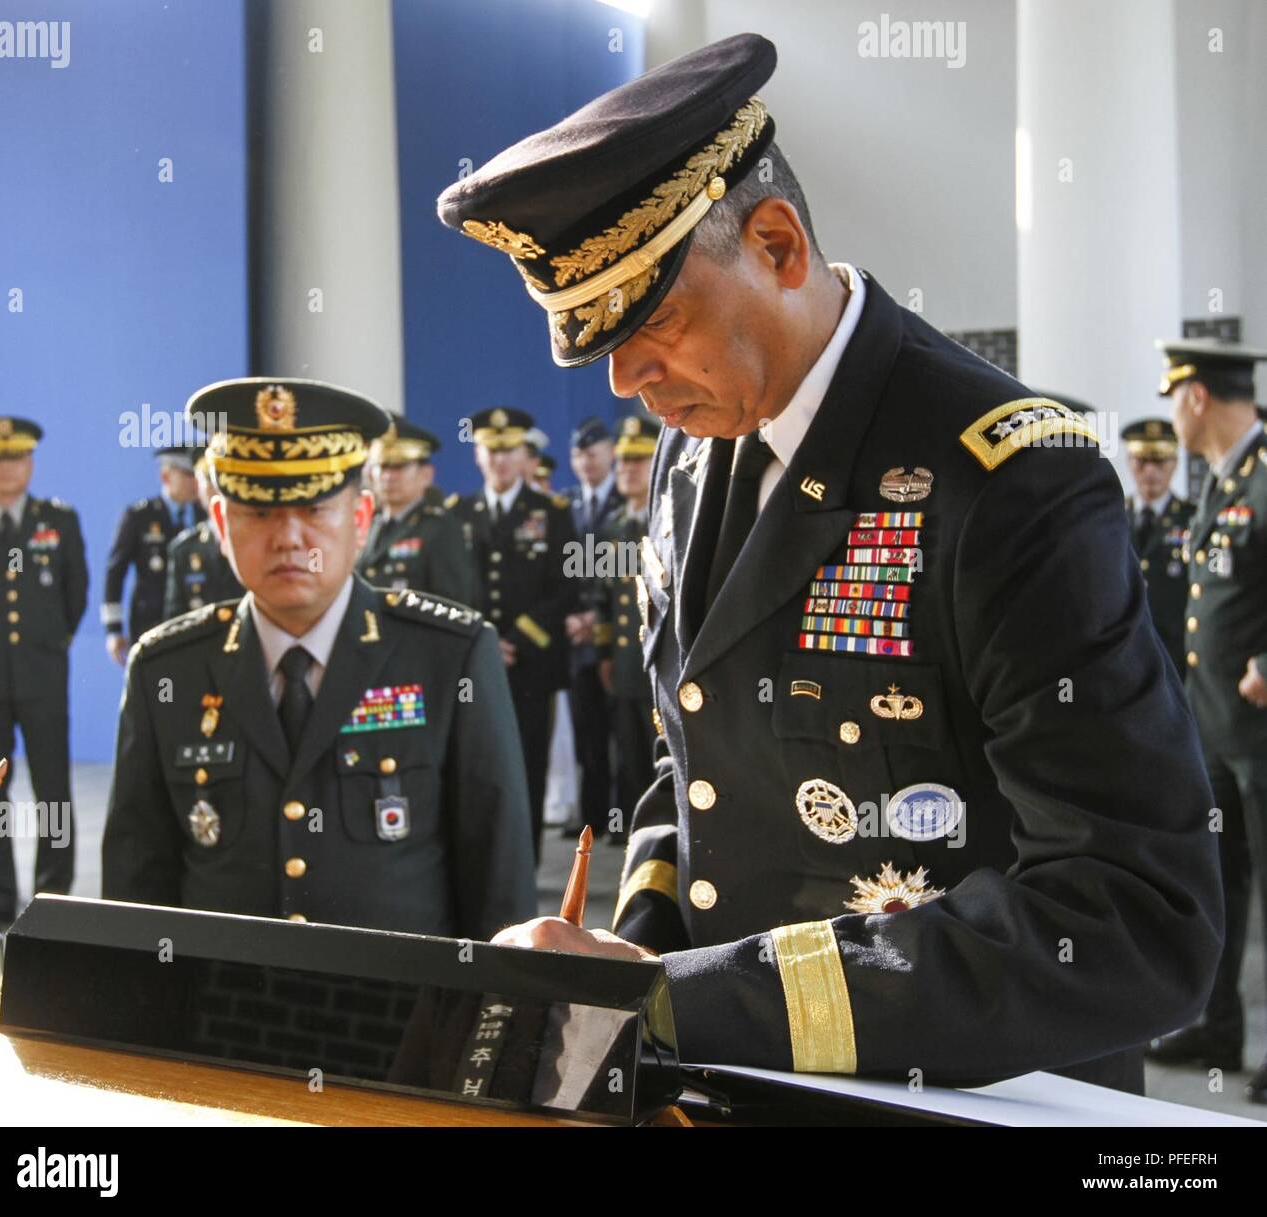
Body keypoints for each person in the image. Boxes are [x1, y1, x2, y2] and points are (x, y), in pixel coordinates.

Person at [438, 33, 1222, 1092]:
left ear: (776, 244)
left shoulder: (1006, 480)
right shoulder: (695, 442)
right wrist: (632, 956)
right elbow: (695, 755)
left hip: (971, 1096)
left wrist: (680, 998)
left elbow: (1133, 916)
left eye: (655, 318)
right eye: (597, 343)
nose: (626, 378)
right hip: (740, 1077)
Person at [102, 379, 535, 939]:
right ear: (219, 524)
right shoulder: (165, 672)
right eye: (257, 512)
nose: (287, 537)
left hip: (404, 1021)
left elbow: (500, 891)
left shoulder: (451, 657)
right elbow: (136, 898)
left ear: (359, 519)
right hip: (219, 1018)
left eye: (313, 508)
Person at [1144, 340, 1267, 1104]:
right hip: (1217, 732)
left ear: (1195, 397)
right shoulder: (1224, 482)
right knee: (1219, 881)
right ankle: (1219, 1027)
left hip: (1260, 734)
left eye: (1174, 399)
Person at [0, 416, 88, 926]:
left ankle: (52, 895)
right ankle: (0, 897)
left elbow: (74, 594)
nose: (5, 469)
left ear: (31, 463)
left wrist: (49, 645)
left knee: (52, 789)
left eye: (15, 458)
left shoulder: (57, 521)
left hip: (42, 677)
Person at [447, 408, 578, 859]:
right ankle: (485, 855)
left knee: (529, 761)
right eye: (491, 451)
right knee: (479, 761)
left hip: (531, 664)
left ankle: (527, 858)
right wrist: (482, 641)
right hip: (474, 663)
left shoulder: (552, 513)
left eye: (509, 451)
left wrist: (514, 642)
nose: (500, 461)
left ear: (525, 456)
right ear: (478, 457)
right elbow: (451, 586)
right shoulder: (460, 513)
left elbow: (565, 587)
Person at [594, 415, 660, 844]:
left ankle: (661, 836)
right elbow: (606, 598)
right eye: (621, 463)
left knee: (661, 758)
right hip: (625, 663)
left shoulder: (666, 517)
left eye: (638, 462)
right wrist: (604, 655)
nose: (627, 471)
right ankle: (636, 835)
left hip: (659, 663)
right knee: (630, 754)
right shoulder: (614, 526)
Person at [563, 418, 623, 837]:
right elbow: (558, 573)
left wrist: (595, 620)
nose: (586, 461)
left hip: (615, 634)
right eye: (580, 454)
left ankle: (624, 815)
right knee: (588, 735)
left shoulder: (629, 497)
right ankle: (593, 815)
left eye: (594, 452)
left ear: (611, 453)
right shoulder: (564, 505)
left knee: (626, 731)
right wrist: (573, 616)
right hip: (575, 637)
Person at [103, 445, 205, 661]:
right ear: (166, 476)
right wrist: (113, 629)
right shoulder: (140, 516)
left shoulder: (206, 515)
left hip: (198, 623)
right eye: (188, 474)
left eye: (198, 474)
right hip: (151, 623)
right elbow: (115, 572)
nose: (195, 482)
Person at [357, 418, 477, 602]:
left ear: (425, 474)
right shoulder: (369, 524)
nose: (388, 476)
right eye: (382, 466)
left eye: (399, 466)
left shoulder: (440, 528)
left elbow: (454, 604)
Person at [1121, 418, 1195, 675]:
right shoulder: (1113, 517)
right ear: (1130, 463)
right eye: (1142, 461)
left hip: (1177, 656)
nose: (1150, 472)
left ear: (1174, 463)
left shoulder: (1193, 519)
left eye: (1160, 461)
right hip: (1125, 655)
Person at [162, 453, 245, 620]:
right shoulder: (184, 549)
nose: (216, 488)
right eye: (208, 479)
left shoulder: (257, 541)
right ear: (198, 486)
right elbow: (175, 618)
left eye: (222, 479)